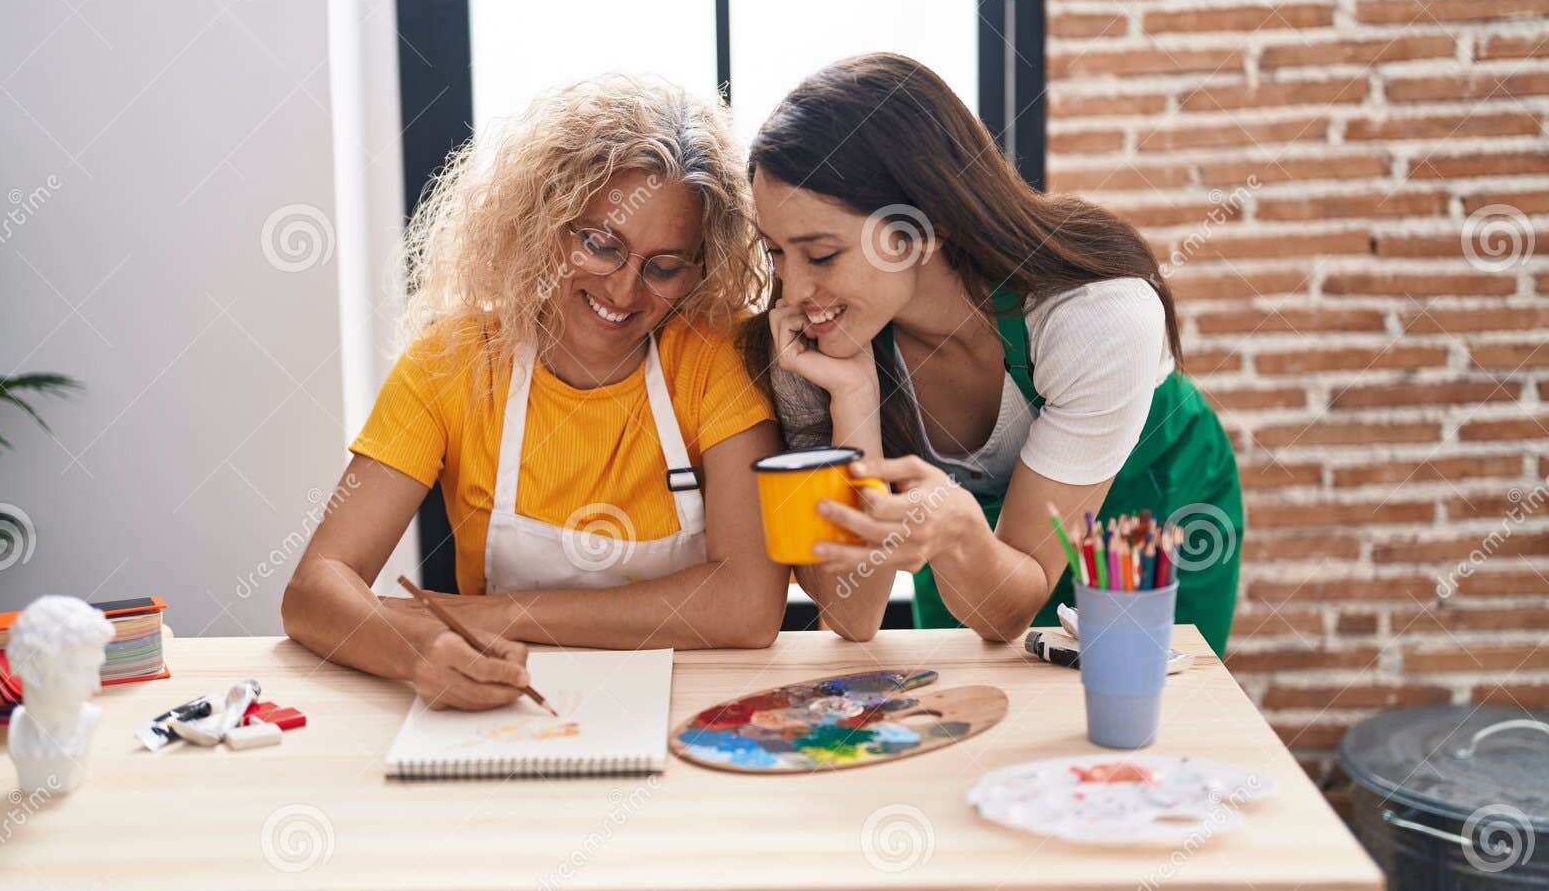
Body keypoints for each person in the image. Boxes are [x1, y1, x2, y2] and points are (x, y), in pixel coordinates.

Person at [283, 75, 786, 710]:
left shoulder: (715, 361)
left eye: (663, 267)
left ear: (699, 266)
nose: (625, 294)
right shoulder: (452, 365)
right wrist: (420, 656)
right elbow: (313, 590)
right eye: (601, 244)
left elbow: (747, 607)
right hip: (504, 707)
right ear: (545, 219)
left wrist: (497, 614)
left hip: (694, 710)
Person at [743, 53, 1242, 656]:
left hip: (1149, 491)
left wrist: (960, 535)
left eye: (820, 255)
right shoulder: (811, 347)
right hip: (963, 518)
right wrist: (855, 403)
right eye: (775, 253)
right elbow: (852, 616)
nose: (793, 292)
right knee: (968, 704)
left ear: (922, 226)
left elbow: (1017, 602)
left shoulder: (1093, 316)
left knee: (1135, 705)